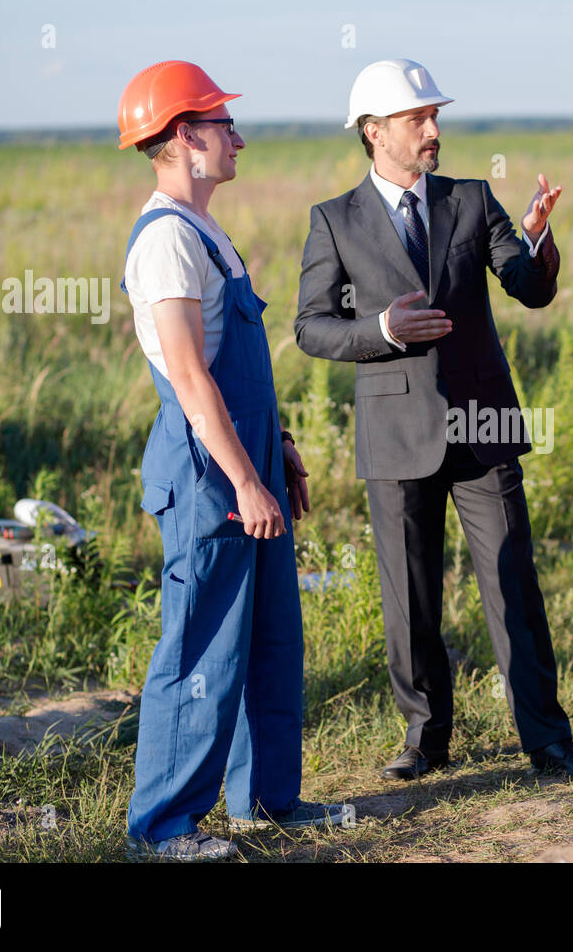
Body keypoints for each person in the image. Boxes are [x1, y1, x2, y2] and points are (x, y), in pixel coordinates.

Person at [295, 58, 573, 782]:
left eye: (436, 116)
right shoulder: (334, 221)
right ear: (376, 133)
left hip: (483, 428)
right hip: (395, 434)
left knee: (513, 585)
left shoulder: (472, 199)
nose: (434, 130)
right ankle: (424, 738)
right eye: (418, 119)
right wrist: (382, 328)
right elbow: (312, 328)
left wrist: (536, 238)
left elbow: (529, 289)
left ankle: (549, 743)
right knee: (410, 597)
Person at [117, 60, 343, 860]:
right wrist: (244, 479)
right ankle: (167, 827)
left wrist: (278, 454)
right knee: (203, 643)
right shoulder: (168, 241)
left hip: (250, 462)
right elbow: (187, 374)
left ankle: (265, 801)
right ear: (183, 137)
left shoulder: (208, 229)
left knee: (271, 638)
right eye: (222, 126)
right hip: (206, 474)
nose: (238, 138)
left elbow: (236, 360)